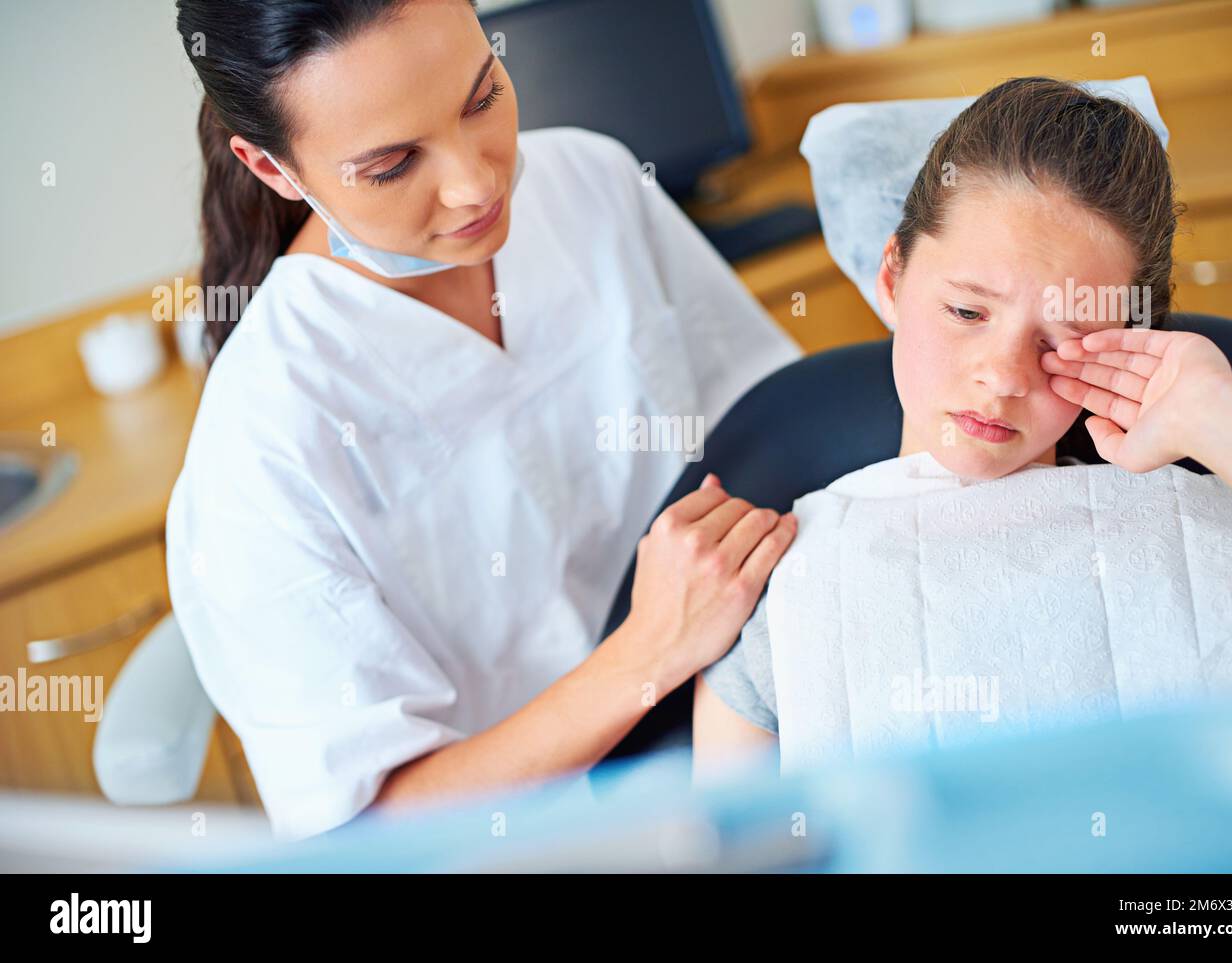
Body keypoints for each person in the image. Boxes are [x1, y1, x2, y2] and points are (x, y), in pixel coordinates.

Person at [166, 0, 800, 839]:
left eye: (481, 96)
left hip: (762, 723)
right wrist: (649, 653)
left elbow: (779, 427)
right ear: (274, 168)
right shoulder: (265, 441)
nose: (478, 183)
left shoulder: (591, 183)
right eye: (392, 163)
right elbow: (374, 835)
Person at [694, 78, 1232, 778]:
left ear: (1127, 343)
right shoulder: (787, 600)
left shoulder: (1207, 546)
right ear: (892, 275)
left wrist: (1220, 414)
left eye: (1061, 340)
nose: (1005, 374)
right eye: (966, 312)